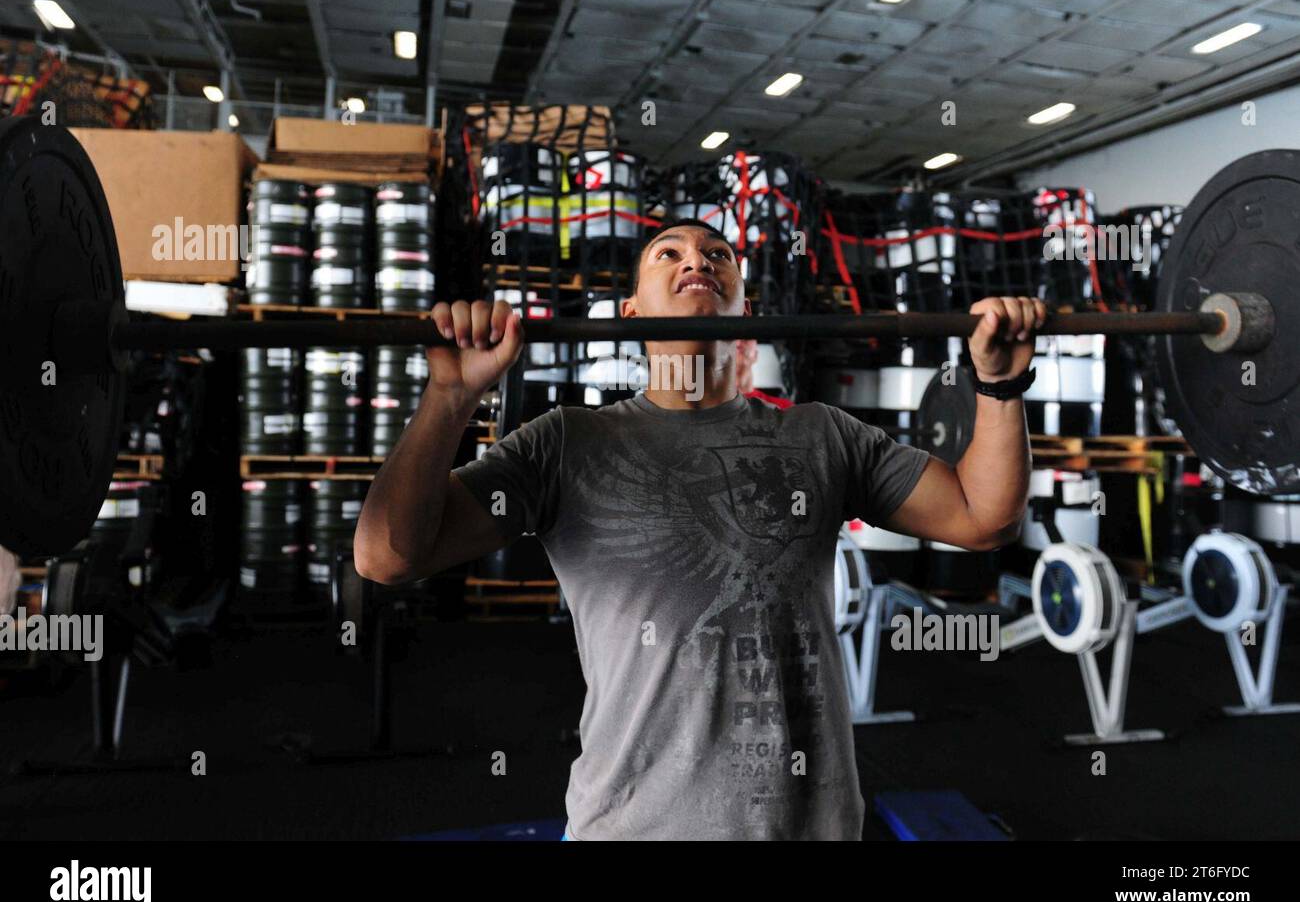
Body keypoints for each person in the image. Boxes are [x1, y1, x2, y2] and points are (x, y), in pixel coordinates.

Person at [355, 217, 1045, 841]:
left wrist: (1001, 388)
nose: (698, 260)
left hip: (812, 826)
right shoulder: (566, 443)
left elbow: (983, 519)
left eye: (718, 254)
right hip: (634, 827)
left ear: (743, 310)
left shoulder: (822, 435)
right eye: (670, 253)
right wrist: (450, 396)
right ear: (630, 312)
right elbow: (385, 557)